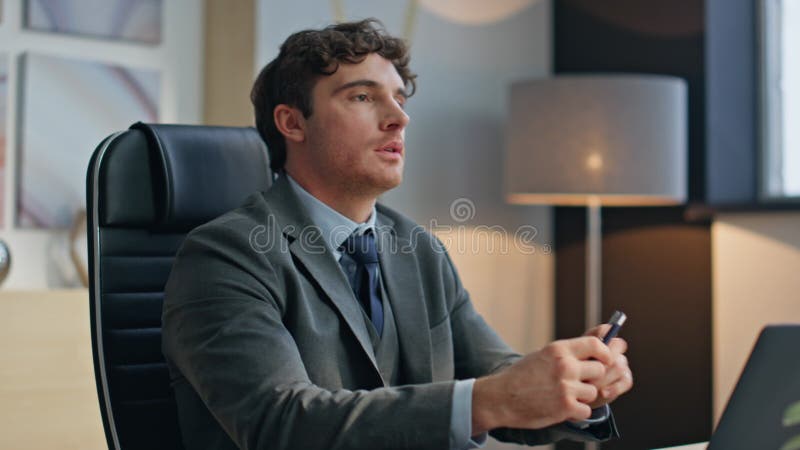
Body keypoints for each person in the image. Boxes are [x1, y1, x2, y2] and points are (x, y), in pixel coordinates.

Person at [162, 18, 632, 450]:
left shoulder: (418, 248)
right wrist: (490, 400)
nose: (399, 118)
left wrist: (575, 387)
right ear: (291, 122)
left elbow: (498, 375)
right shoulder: (224, 255)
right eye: (363, 97)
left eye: (400, 100)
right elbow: (281, 425)